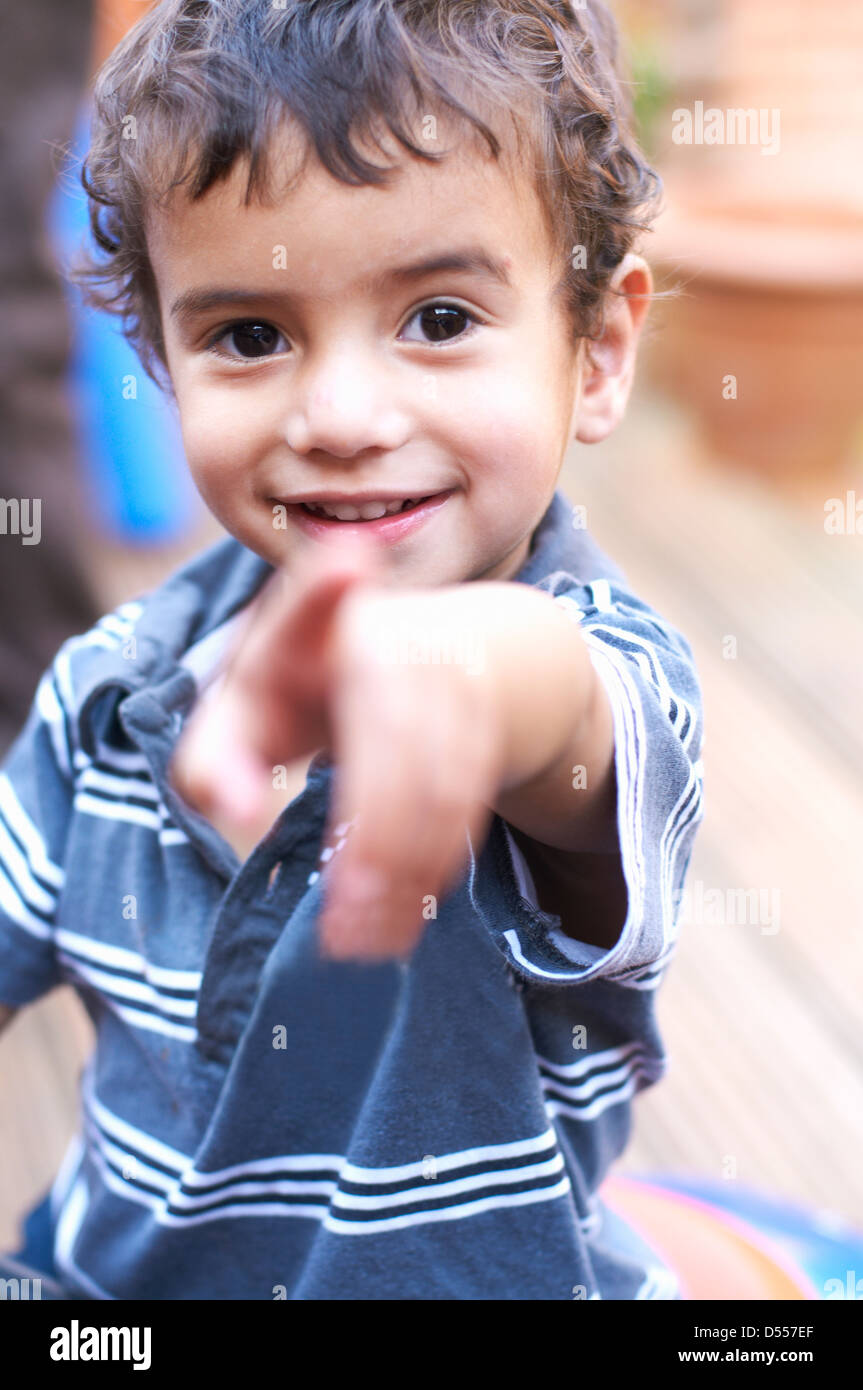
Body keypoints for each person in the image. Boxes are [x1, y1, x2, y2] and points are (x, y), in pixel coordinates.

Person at [0, 0, 704, 1299]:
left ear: (597, 350)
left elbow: (547, 700)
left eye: (438, 316)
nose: (338, 414)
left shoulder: (608, 674)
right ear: (160, 361)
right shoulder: (106, 692)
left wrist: (443, 680)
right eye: (250, 337)